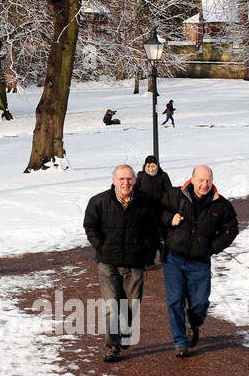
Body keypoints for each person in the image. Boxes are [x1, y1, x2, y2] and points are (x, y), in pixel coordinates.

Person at [83, 164, 162, 362]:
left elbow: (154, 230)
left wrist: (148, 253)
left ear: (135, 181)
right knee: (111, 305)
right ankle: (112, 346)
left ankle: (126, 328)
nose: (126, 183)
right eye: (122, 179)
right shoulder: (99, 201)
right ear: (114, 181)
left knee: (132, 303)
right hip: (107, 262)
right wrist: (101, 247)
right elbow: (90, 225)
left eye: (129, 179)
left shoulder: (146, 202)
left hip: (135, 262)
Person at [160, 164, 239, 357]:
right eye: (201, 180)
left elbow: (231, 229)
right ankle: (180, 341)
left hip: (200, 261)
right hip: (174, 258)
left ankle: (193, 324)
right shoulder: (175, 195)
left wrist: (211, 248)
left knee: (200, 302)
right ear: (192, 179)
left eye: (208, 180)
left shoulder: (220, 204)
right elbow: (157, 212)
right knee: (175, 300)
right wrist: (170, 218)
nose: (204, 184)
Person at [136, 155, 173, 263]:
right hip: (146, 211)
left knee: (163, 235)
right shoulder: (141, 176)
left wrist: (166, 203)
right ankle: (148, 260)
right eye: (148, 166)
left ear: (157, 166)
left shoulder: (163, 176)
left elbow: (169, 192)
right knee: (148, 236)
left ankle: (164, 256)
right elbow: (135, 190)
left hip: (161, 210)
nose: (151, 169)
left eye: (153, 166)